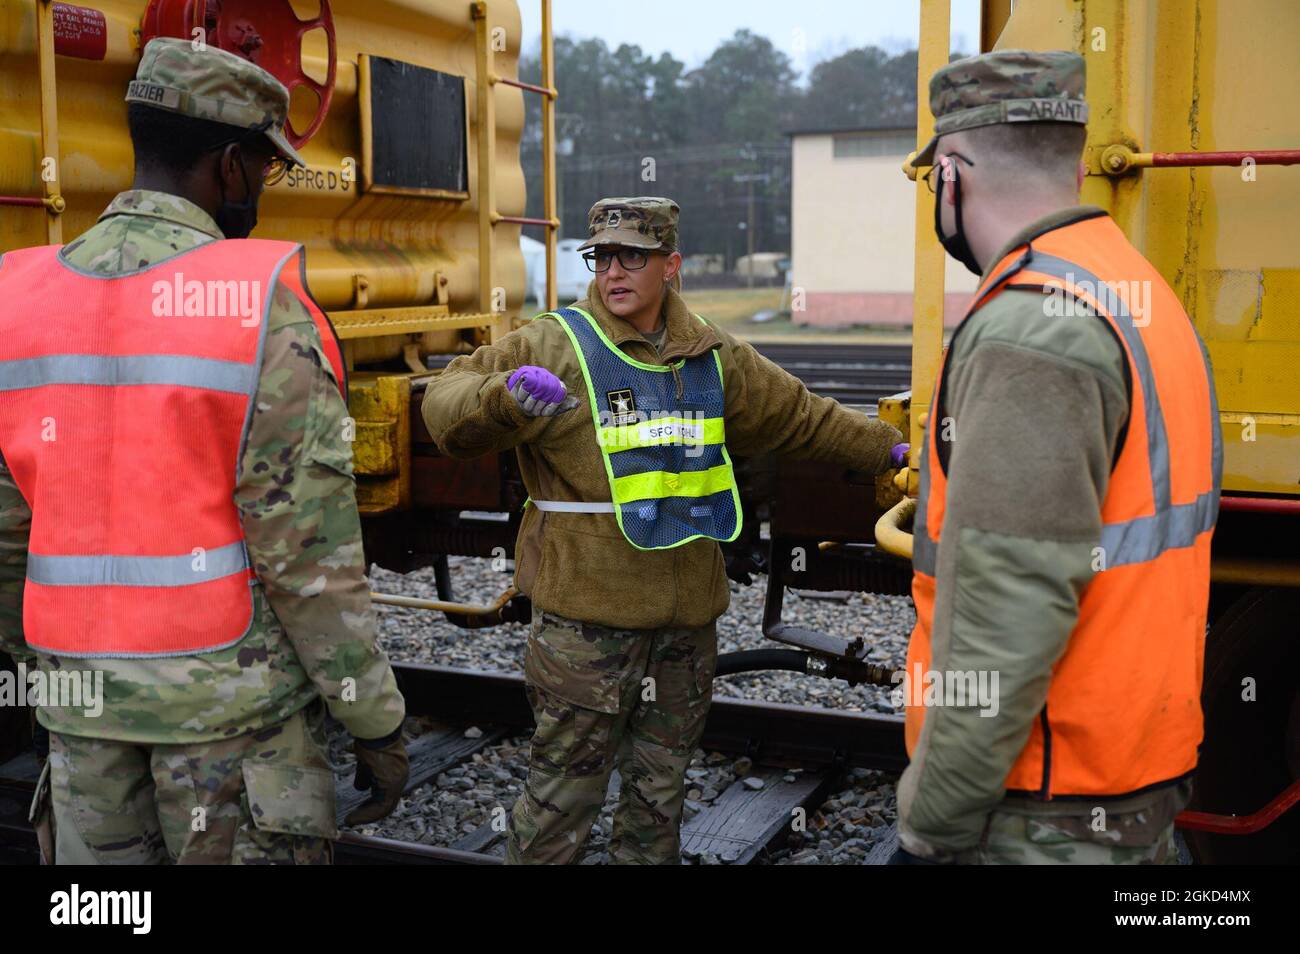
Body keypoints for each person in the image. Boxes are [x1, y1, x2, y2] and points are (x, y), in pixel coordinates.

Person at [0, 37, 408, 864]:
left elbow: (10, 533)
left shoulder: (18, 298)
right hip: (231, 729)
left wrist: (44, 672)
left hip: (80, 724)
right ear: (229, 165)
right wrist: (374, 717)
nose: (263, 186)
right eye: (265, 168)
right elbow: (308, 558)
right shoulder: (260, 308)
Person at [423, 196, 907, 864]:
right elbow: (446, 407)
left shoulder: (711, 354)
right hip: (586, 625)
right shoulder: (554, 344)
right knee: (565, 794)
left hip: (683, 625)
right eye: (602, 258)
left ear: (670, 265)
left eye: (633, 257)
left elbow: (799, 416)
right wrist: (501, 400)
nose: (613, 272)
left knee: (660, 794)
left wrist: (890, 448)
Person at [893, 50, 1221, 864]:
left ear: (953, 176)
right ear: (1074, 163)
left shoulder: (1031, 325)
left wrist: (931, 822)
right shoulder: (1134, 288)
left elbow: (1006, 611)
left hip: (1046, 801)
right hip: (1134, 766)